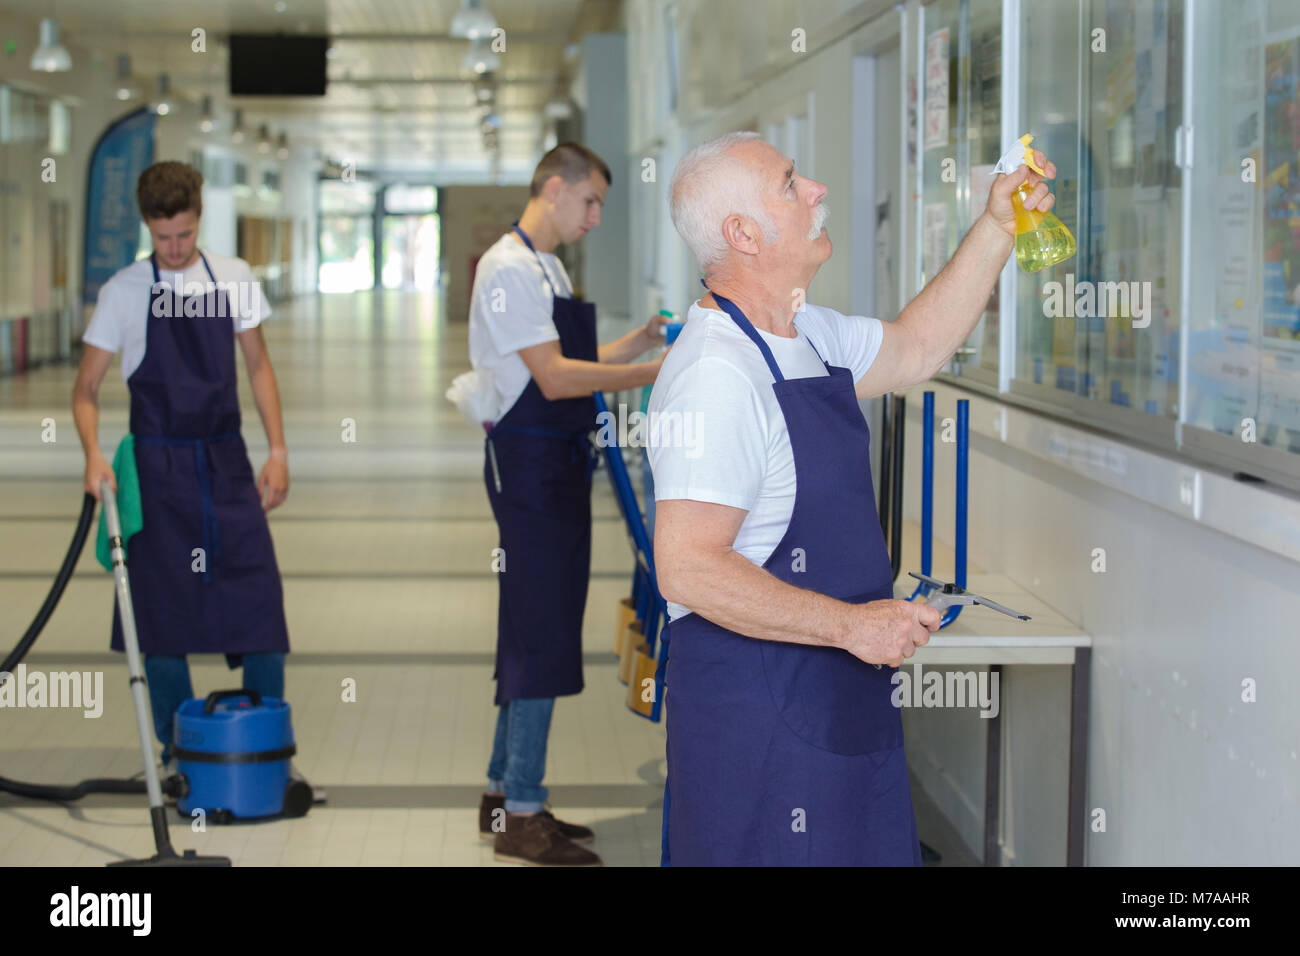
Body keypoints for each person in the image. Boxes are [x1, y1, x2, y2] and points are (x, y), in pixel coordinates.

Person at [649, 131, 1058, 865]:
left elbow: (916, 347)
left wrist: (998, 227)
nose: (818, 190)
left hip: (839, 702)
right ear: (743, 233)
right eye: (790, 182)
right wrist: (851, 627)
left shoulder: (805, 330)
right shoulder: (716, 374)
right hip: (759, 723)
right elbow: (687, 568)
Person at [72, 161, 300, 787]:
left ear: (199, 216)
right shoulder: (124, 290)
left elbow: (258, 367)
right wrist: (94, 454)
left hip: (225, 463)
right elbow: (86, 389)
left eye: (184, 234)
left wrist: (277, 450)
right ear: (148, 225)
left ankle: (265, 750)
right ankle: (180, 759)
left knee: (259, 604)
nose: (174, 250)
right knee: (160, 616)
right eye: (162, 237)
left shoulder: (232, 278)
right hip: (157, 466)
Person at [468, 143, 665, 866]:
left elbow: (565, 357)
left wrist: (635, 342)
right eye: (591, 202)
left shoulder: (545, 266)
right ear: (555, 188)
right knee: (541, 633)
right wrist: (652, 369)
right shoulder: (508, 270)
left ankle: (502, 793)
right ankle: (522, 814)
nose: (596, 217)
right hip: (529, 467)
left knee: (530, 627)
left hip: (554, 464)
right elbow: (552, 379)